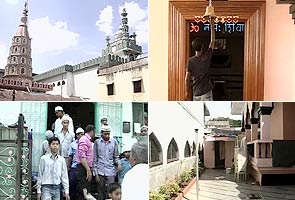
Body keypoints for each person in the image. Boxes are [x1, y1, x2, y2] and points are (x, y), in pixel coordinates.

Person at [185, 17, 215, 101]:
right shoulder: (207, 57)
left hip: (196, 93)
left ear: (194, 48)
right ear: (202, 47)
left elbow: (187, 78)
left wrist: (187, 92)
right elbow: (212, 42)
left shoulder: (190, 61)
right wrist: (212, 26)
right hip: (206, 93)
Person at [93, 125, 120, 200]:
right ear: (101, 133)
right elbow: (95, 159)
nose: (107, 135)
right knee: (100, 192)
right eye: (105, 134)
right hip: (100, 170)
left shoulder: (114, 142)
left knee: (111, 191)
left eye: (108, 134)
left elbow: (116, 156)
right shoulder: (97, 143)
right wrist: (96, 174)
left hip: (111, 170)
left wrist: (118, 163)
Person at [76, 125, 95, 200]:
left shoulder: (87, 140)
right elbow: (82, 156)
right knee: (83, 191)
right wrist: (87, 169)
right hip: (83, 167)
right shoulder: (84, 139)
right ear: (92, 131)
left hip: (86, 167)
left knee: (87, 191)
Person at [68, 127, 85, 200]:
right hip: (74, 167)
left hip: (83, 167)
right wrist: (68, 167)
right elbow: (70, 156)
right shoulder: (72, 144)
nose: (81, 136)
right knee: (72, 183)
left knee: (82, 186)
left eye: (82, 134)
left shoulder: (86, 143)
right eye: (79, 134)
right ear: (76, 135)